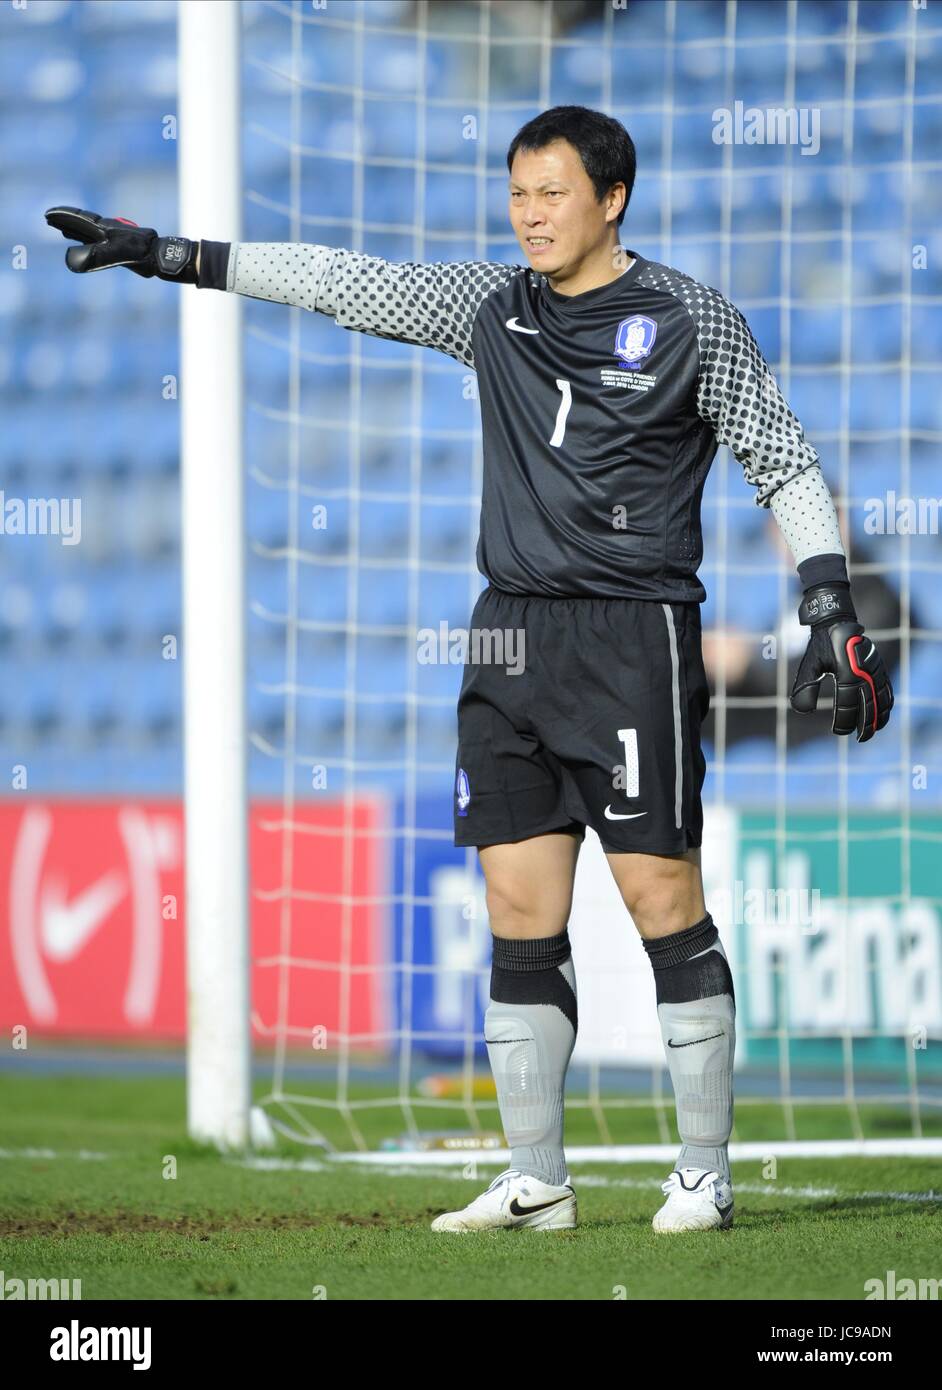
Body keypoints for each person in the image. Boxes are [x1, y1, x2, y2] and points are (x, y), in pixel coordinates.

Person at [46, 104, 893, 1235]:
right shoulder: (491, 305)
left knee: (659, 898)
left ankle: (704, 1171)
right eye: (518, 194)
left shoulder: (691, 317)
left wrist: (825, 598)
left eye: (552, 193)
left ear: (612, 198)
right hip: (507, 640)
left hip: (633, 635)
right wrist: (175, 256)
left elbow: (782, 459)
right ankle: (536, 1176)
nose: (531, 214)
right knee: (515, 907)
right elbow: (347, 280)